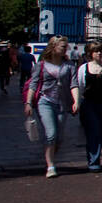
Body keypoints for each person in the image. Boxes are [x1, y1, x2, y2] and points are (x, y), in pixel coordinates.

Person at [24, 36, 75, 178]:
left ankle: (49, 155)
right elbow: (33, 84)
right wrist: (28, 102)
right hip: (44, 102)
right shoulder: (41, 65)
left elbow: (74, 84)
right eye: (62, 47)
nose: (65, 49)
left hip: (62, 103)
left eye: (66, 47)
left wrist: (76, 101)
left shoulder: (69, 65)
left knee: (59, 138)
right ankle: (51, 166)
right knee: (51, 134)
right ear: (53, 47)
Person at [72, 42, 102, 172]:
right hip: (89, 104)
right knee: (93, 131)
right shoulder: (83, 68)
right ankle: (94, 161)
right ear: (90, 53)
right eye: (96, 51)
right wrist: (76, 102)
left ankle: (94, 156)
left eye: (101, 50)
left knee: (100, 133)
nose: (99, 53)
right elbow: (80, 86)